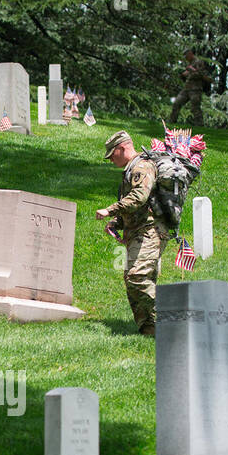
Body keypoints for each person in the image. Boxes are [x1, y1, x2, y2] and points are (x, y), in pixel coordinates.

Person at [96, 131, 167, 336]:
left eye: (112, 154)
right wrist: (117, 222)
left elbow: (139, 197)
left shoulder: (141, 167)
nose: (111, 159)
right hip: (137, 232)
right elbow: (134, 204)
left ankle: (172, 319)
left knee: (138, 277)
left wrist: (110, 209)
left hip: (150, 232)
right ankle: (150, 329)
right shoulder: (130, 170)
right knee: (132, 279)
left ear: (122, 148)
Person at [169, 50, 210, 126]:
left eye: (186, 56)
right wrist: (185, 74)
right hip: (187, 88)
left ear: (190, 54)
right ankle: (171, 122)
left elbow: (202, 75)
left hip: (195, 89)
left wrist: (192, 71)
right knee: (176, 103)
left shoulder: (198, 62)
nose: (185, 58)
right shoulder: (191, 63)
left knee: (195, 108)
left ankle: (199, 125)